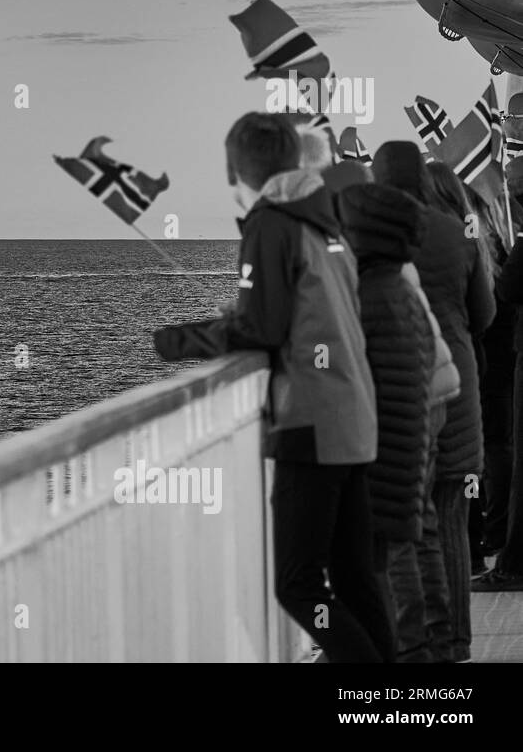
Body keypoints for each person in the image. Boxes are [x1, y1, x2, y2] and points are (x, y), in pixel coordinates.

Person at [153, 113, 389, 661]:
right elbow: (301, 310)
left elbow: (264, 328)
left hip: (312, 419)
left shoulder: (269, 223)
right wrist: (249, 309)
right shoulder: (319, 219)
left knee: (298, 583)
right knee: (356, 582)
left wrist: (179, 339)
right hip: (354, 413)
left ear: (234, 169)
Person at [373, 146, 494, 662]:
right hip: (459, 382)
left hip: (400, 390)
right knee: (451, 515)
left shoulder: (375, 233)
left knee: (403, 524)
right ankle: (456, 643)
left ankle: (411, 640)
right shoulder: (456, 232)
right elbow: (484, 312)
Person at [334, 178, 436, 659]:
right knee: (390, 567)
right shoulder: (397, 288)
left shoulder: (370, 297)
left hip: (376, 463)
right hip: (400, 457)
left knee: (376, 578)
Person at [478, 158, 523, 590]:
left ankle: (500, 543)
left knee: (499, 443)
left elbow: (505, 291)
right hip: (503, 349)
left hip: (497, 350)